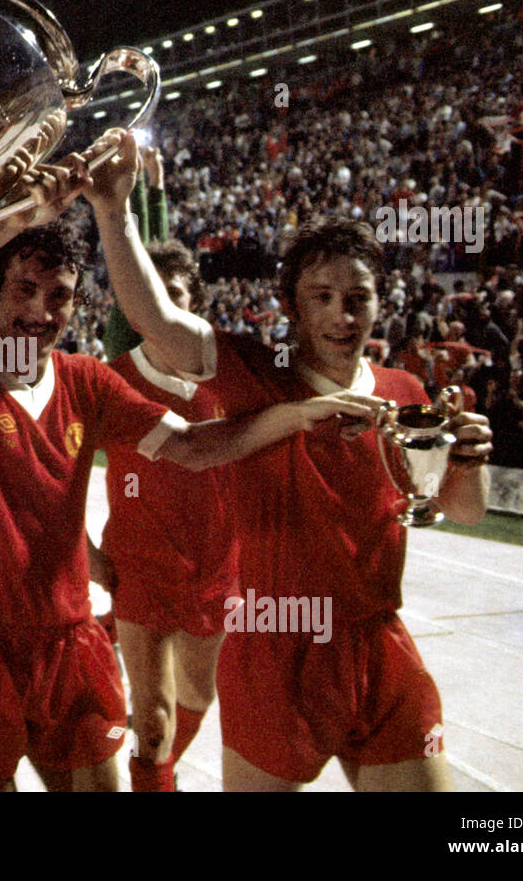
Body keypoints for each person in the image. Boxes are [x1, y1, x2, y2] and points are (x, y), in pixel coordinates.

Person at [0, 132, 373, 792]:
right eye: (24, 289)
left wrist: (297, 415)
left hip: (69, 639)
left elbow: (193, 448)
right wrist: (10, 220)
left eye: (59, 295)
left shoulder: (86, 381)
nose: (39, 311)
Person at [101, 139, 493, 790]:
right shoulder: (262, 372)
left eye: (358, 297)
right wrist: (115, 211)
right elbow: (155, 317)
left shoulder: (404, 392)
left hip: (377, 644)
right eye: (323, 297)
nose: (344, 314)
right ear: (292, 307)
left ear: (378, 301)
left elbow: (465, 511)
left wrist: (472, 455)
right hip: (273, 654)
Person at [88, 240, 232, 792]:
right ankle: (155, 773)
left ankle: (158, 775)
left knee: (197, 695)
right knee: (151, 725)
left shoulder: (230, 378)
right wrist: (88, 554)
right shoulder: (111, 380)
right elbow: (58, 467)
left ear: (194, 304)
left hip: (218, 570)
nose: (163, 312)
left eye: (173, 297)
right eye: (151, 300)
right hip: (142, 572)